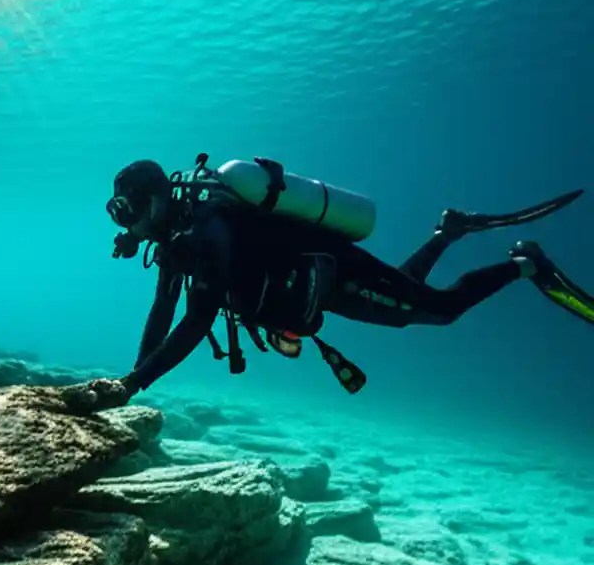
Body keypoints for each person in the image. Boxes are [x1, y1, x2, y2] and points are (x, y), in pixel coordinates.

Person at [92, 155, 590, 402]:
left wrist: (133, 385)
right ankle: (448, 231)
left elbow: (197, 321)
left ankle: (526, 264)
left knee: (438, 310)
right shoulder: (178, 243)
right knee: (404, 296)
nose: (127, 225)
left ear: (153, 200)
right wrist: (128, 379)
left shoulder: (208, 230)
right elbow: (162, 310)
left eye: (127, 212)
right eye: (120, 215)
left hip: (335, 273)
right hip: (318, 283)